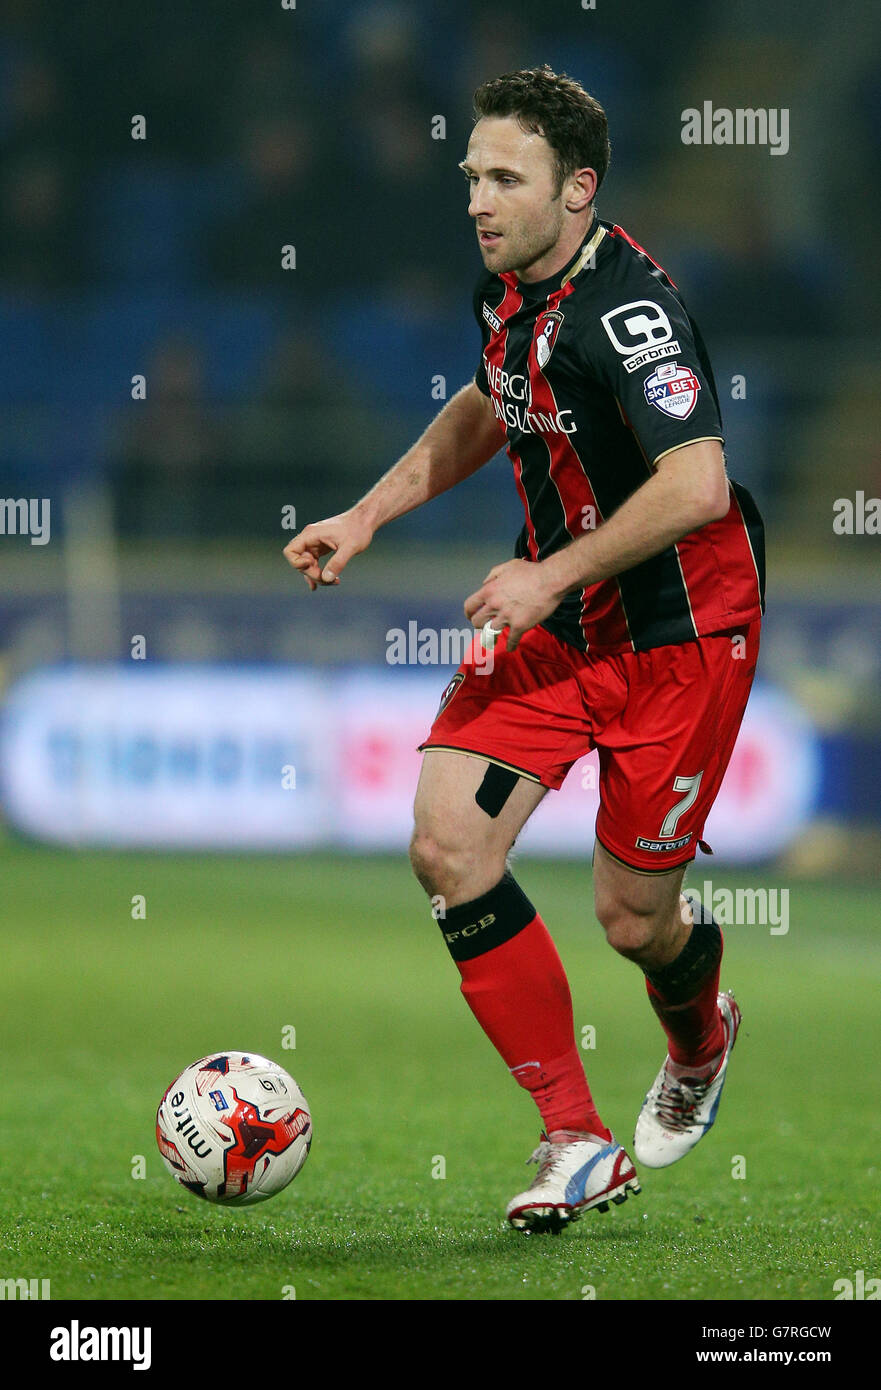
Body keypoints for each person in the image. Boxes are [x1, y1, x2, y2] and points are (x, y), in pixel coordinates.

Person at [285, 65, 765, 1234]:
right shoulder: (505, 289)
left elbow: (697, 485)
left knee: (632, 921)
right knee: (445, 844)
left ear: (577, 189)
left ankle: (697, 1038)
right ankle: (574, 1136)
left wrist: (547, 573)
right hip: (554, 630)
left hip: (676, 636)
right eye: (471, 176)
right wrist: (368, 512)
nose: (476, 200)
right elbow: (488, 403)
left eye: (505, 178)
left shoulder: (628, 314)